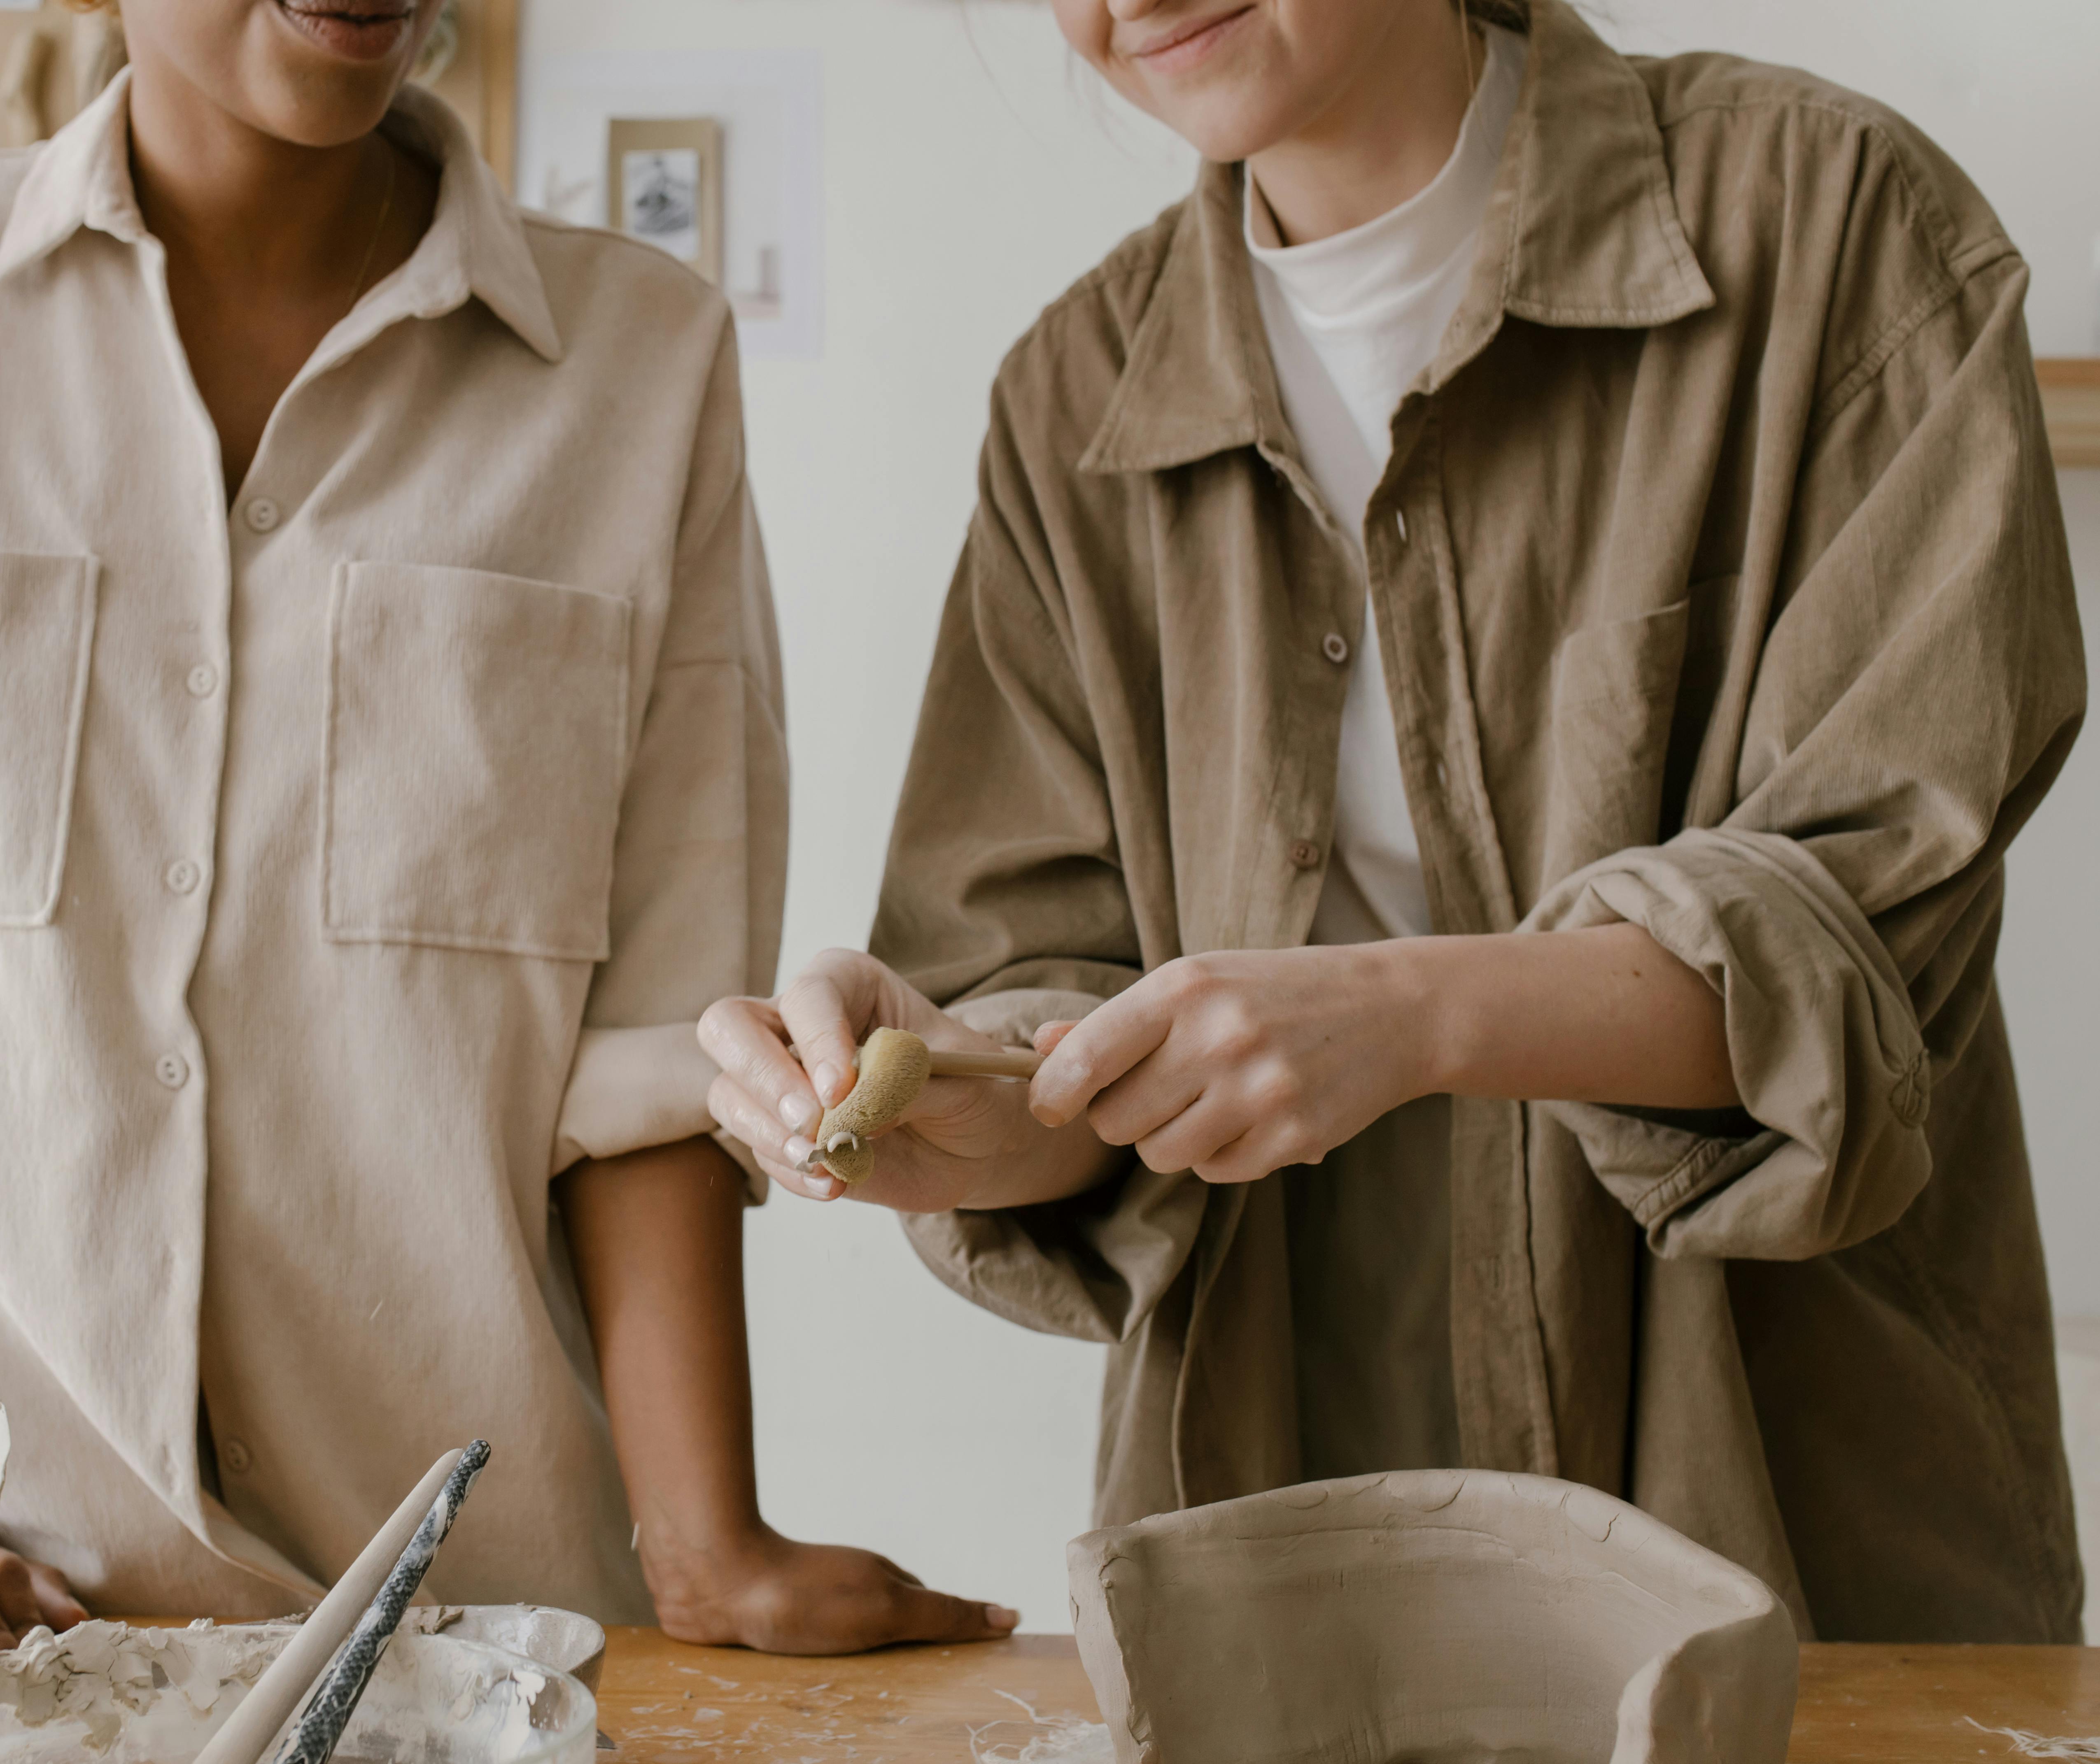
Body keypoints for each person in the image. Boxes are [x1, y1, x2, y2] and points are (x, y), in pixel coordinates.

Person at [701, 0, 2086, 1641]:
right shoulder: (1072, 401)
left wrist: (1414, 1011)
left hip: (1791, 1525)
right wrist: (975, 1088)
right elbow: (1054, 973)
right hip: (1284, 1567)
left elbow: (1865, 928)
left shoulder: (1843, 223)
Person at [0, 0, 1015, 1659]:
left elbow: (657, 1044)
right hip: (0, 1639)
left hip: (483, 1633)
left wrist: (705, 1546)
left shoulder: (641, 361)